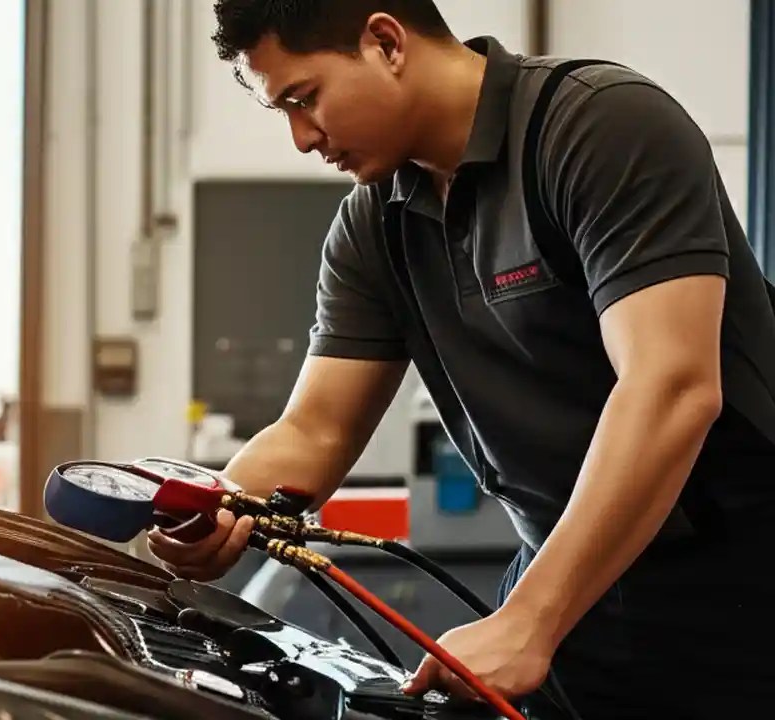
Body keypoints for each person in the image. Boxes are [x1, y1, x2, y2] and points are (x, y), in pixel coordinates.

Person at [148, 1, 775, 717]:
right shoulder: (374, 223)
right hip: (569, 594)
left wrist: (530, 619)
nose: (299, 138)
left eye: (305, 98)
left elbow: (672, 386)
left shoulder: (601, 127)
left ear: (386, 41)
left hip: (740, 591)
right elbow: (314, 431)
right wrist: (222, 507)